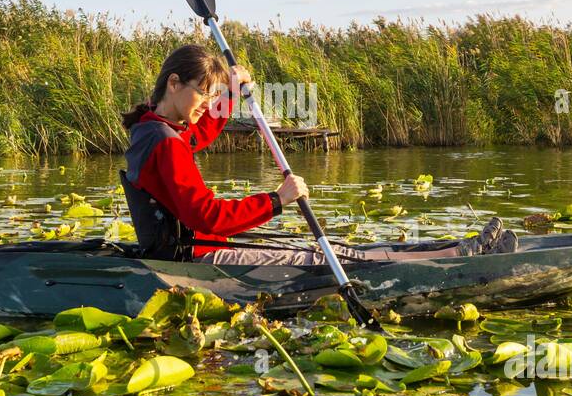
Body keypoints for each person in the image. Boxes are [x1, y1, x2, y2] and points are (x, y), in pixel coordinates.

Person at [120, 44, 516, 266]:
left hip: (192, 248)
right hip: (193, 259)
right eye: (202, 93)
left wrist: (227, 93)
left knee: (337, 249)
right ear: (174, 83)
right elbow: (205, 215)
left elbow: (199, 136)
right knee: (326, 259)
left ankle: (446, 249)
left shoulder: (151, 130)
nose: (206, 104)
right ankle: (458, 257)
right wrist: (277, 200)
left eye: (211, 95)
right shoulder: (167, 142)